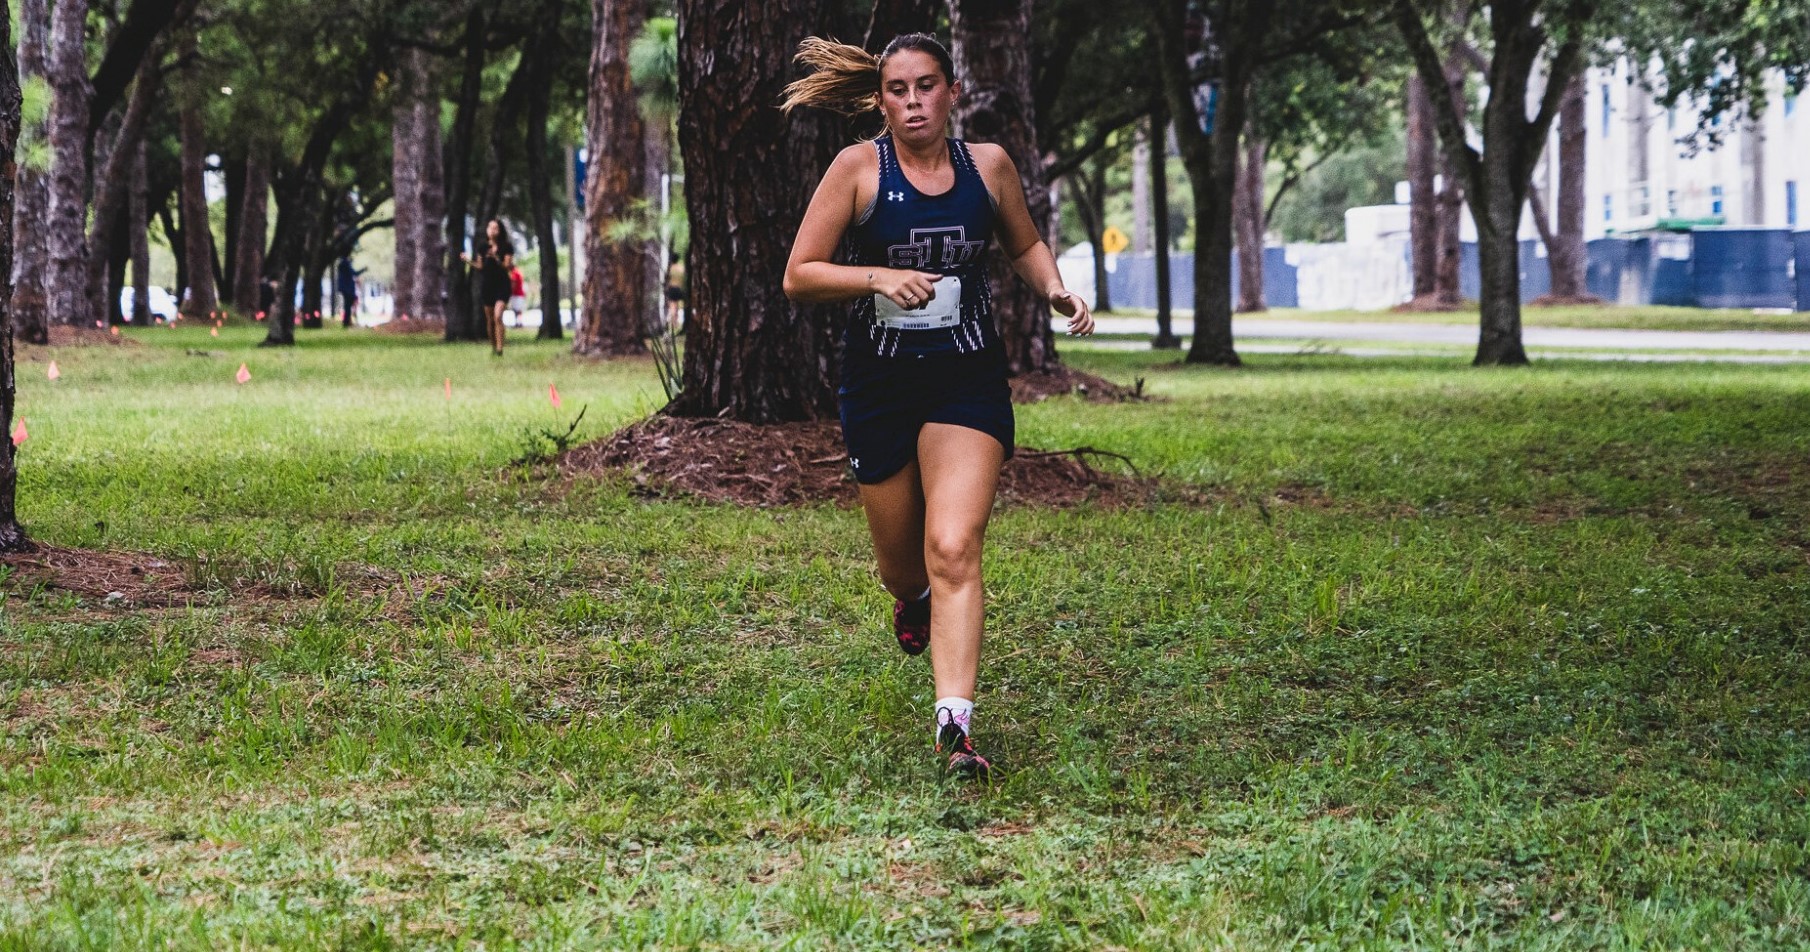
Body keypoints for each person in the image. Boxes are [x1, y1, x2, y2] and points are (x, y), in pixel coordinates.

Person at [780, 34, 1094, 779]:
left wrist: (1053, 287)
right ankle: (910, 598)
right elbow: (800, 273)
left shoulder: (987, 167)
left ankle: (956, 729)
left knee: (953, 546)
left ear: (952, 91)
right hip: (880, 387)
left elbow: (1022, 244)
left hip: (966, 380)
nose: (913, 101)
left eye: (926, 86)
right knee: (901, 566)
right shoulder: (858, 169)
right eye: (897, 89)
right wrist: (876, 278)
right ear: (880, 98)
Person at [462, 219, 514, 355]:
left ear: (500, 230)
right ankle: (493, 346)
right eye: (490, 227)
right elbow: (480, 266)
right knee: (490, 320)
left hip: (502, 284)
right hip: (488, 285)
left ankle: (500, 348)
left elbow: (508, 266)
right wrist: (468, 260)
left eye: (495, 228)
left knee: (498, 316)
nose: (492, 230)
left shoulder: (506, 246)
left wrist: (497, 258)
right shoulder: (482, 247)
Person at [336, 256, 365, 328]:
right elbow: (355, 273)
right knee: (348, 306)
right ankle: (347, 322)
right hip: (348, 290)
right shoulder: (346, 265)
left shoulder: (343, 265)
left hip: (347, 290)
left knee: (348, 306)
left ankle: (347, 321)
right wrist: (363, 270)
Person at [663, 250, 687, 329]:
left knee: (673, 307)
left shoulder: (669, 269)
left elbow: (666, 280)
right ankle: (678, 323)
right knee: (681, 306)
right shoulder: (682, 268)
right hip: (680, 289)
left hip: (672, 289)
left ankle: (674, 324)